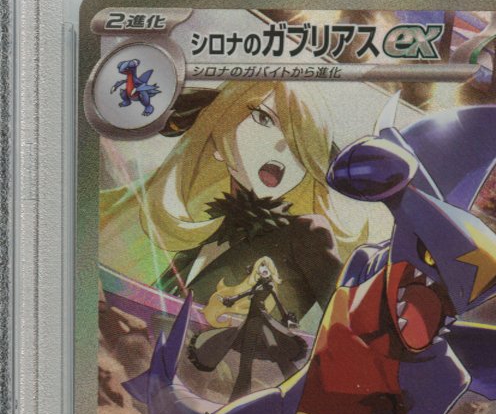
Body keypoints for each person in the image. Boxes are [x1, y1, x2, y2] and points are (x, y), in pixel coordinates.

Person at [99, 80, 367, 326]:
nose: (281, 146)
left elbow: (355, 327)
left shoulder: (306, 234)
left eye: (300, 140)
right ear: (218, 140)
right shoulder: (205, 238)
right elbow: (159, 315)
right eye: (263, 118)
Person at [187, 257, 306, 400]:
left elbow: (278, 303)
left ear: (271, 270)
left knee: (275, 351)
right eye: (261, 267)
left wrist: (286, 317)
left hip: (261, 320)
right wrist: (229, 300)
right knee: (247, 362)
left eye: (266, 268)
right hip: (251, 322)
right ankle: (238, 399)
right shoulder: (258, 284)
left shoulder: (269, 285)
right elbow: (245, 294)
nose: (263, 270)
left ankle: (298, 388)